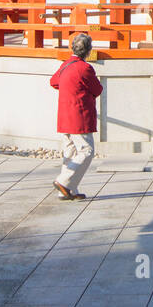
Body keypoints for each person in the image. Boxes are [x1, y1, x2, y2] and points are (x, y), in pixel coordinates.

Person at [50, 32, 102, 200]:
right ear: (88, 51)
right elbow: (97, 89)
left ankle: (68, 190)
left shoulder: (65, 65)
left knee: (70, 151)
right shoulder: (84, 68)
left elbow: (54, 82)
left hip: (64, 113)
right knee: (86, 150)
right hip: (79, 114)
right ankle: (64, 181)